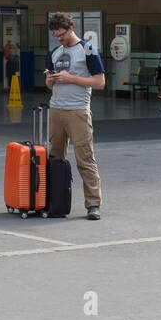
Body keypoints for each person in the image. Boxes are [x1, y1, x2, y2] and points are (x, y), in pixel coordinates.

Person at [45, 12, 105, 220]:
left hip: (78, 110)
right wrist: (50, 81)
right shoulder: (55, 52)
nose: (59, 39)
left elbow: (100, 82)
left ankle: (93, 204)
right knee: (55, 157)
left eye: (61, 34)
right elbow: (49, 82)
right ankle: (55, 201)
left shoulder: (87, 49)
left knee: (85, 158)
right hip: (56, 108)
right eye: (56, 35)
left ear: (71, 28)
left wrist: (71, 78)